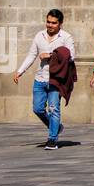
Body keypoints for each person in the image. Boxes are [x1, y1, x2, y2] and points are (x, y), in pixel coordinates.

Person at [13, 9, 75, 151]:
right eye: (48, 22)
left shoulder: (66, 37)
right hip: (40, 78)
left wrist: (50, 56)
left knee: (53, 109)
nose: (50, 25)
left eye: (53, 23)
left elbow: (71, 57)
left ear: (60, 23)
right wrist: (20, 71)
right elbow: (32, 55)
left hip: (56, 79)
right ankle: (56, 127)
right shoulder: (39, 36)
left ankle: (52, 139)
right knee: (38, 109)